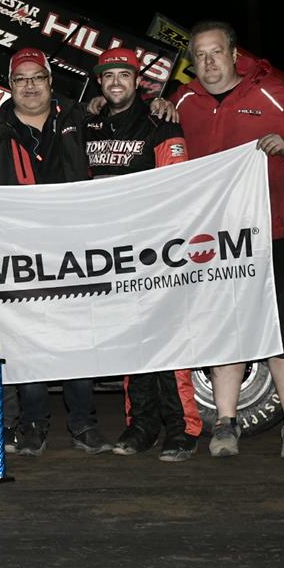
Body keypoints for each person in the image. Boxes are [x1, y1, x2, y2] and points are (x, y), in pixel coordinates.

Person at [165, 21, 284, 460]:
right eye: (200, 55)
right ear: (191, 61)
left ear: (234, 55)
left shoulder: (272, 91)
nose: (209, 62)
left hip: (275, 233)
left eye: (217, 53)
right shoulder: (184, 101)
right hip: (215, 242)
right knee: (224, 330)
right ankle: (226, 424)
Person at [0, 47, 112, 457]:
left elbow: (128, 136)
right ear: (9, 86)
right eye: (20, 79)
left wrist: (163, 104)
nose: (29, 86)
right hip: (18, 258)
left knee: (77, 339)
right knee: (27, 343)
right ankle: (33, 424)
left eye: (37, 77)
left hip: (75, 254)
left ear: (50, 81)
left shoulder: (81, 121)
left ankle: (83, 422)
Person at [84, 48, 202, 462]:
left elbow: (177, 186)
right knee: (133, 341)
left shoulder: (161, 121)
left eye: (124, 75)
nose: (116, 82)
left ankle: (182, 427)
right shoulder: (90, 123)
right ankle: (142, 425)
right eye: (108, 76)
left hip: (156, 249)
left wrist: (167, 244)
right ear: (100, 82)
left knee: (168, 339)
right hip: (110, 252)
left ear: (138, 81)